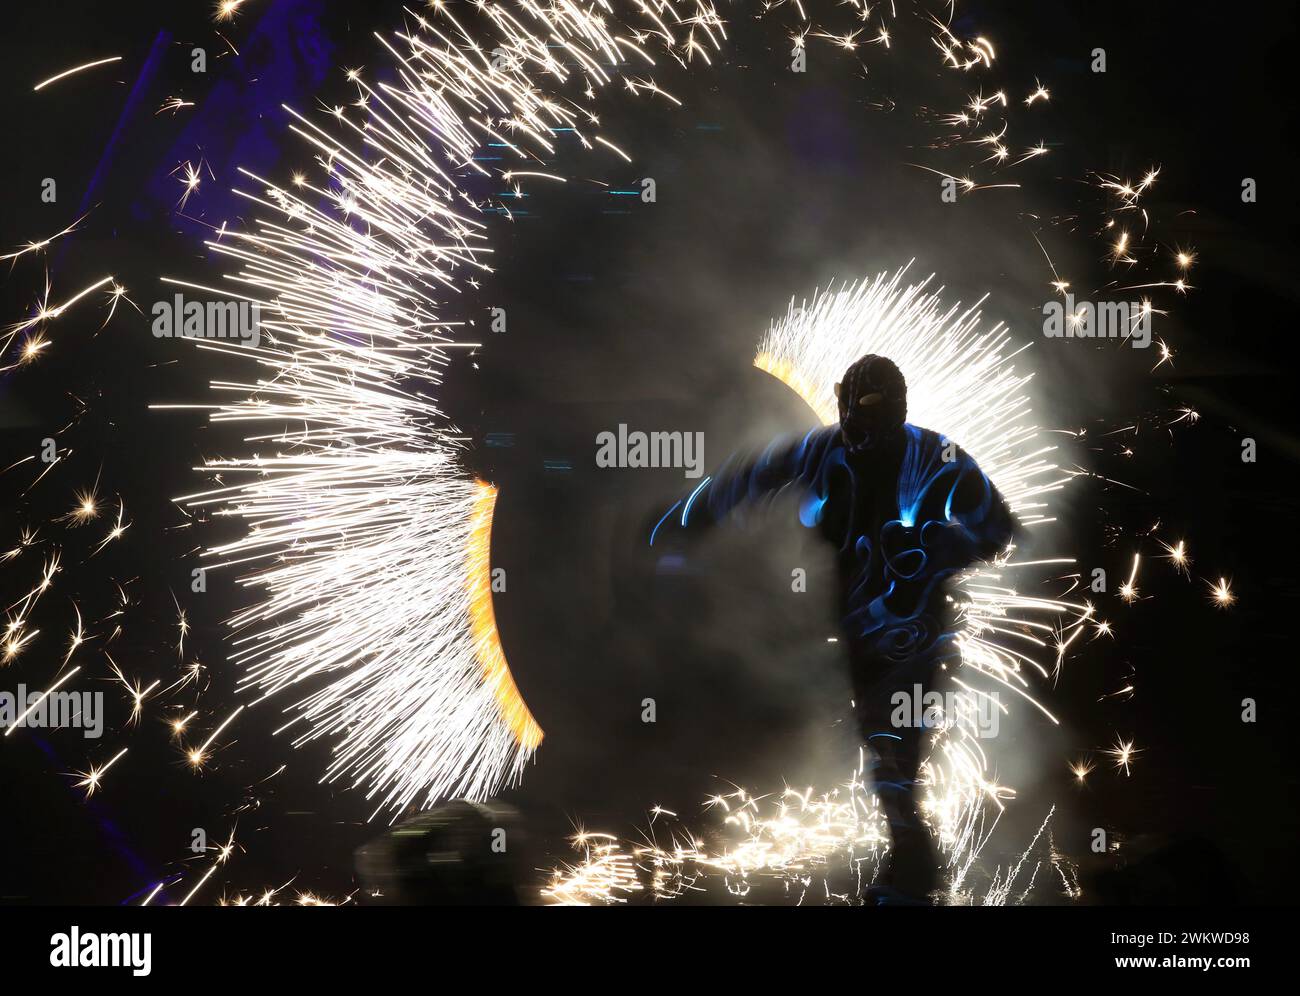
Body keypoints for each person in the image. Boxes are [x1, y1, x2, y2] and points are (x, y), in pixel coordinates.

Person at [649, 354, 1017, 904]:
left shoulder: (935, 456)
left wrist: (936, 550)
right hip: (859, 629)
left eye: (878, 410)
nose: (867, 422)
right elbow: (753, 477)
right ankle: (912, 869)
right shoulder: (822, 450)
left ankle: (914, 879)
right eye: (859, 406)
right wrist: (689, 516)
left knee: (894, 759)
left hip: (915, 632)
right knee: (882, 755)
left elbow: (998, 527)